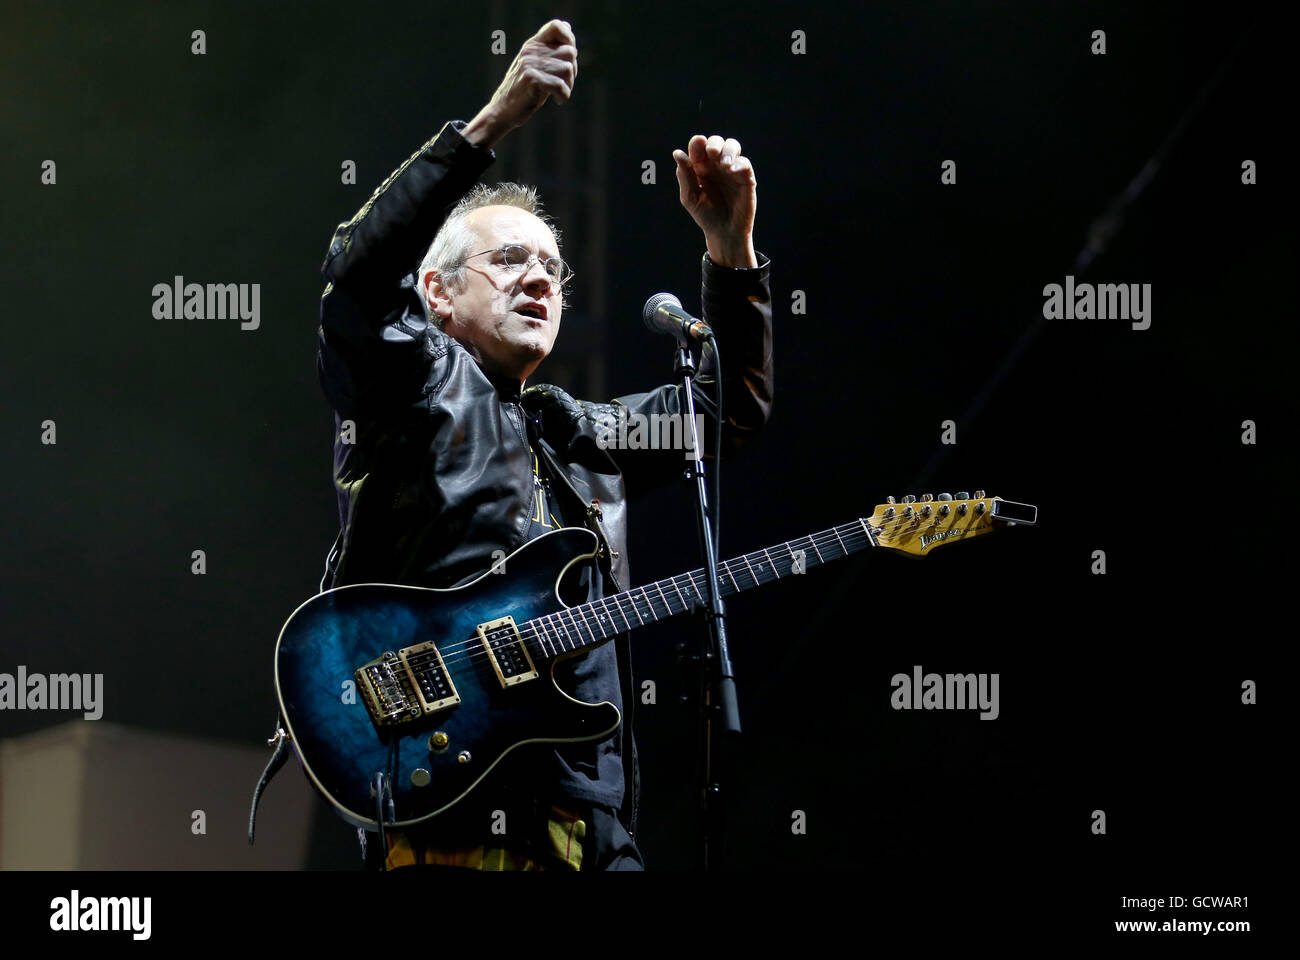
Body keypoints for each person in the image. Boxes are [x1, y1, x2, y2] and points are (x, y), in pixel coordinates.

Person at [315, 19, 773, 870]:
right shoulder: (412, 382)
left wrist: (729, 249)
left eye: (553, 270)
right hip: (454, 805)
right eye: (510, 259)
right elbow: (355, 278)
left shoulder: (573, 431)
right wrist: (492, 123)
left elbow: (722, 418)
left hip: (590, 818)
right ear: (437, 295)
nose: (539, 278)